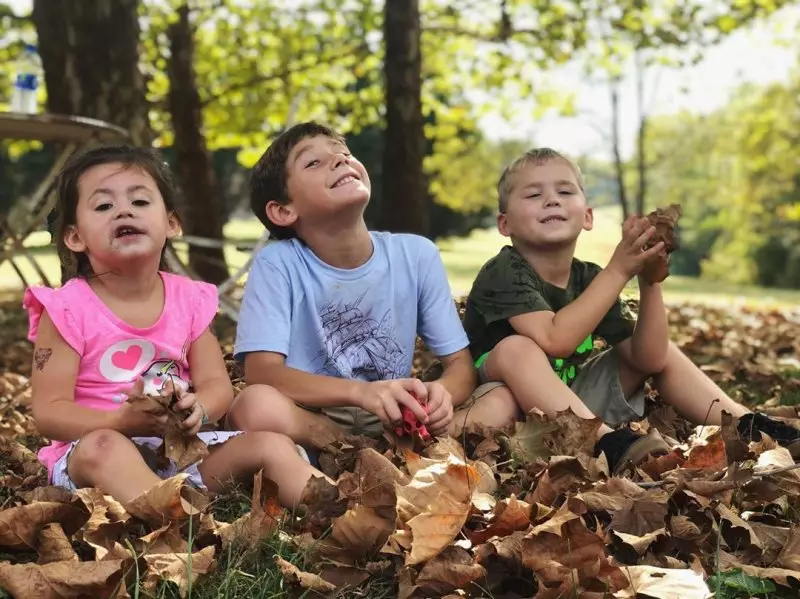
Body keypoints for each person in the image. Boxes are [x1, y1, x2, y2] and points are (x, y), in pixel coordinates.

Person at [462, 147, 800, 473]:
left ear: (588, 215)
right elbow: (555, 339)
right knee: (515, 350)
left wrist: (650, 282)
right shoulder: (504, 271)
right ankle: (609, 444)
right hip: (503, 399)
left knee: (660, 348)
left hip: (570, 402)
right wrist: (619, 270)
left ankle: (745, 424)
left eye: (565, 191)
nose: (551, 199)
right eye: (533, 195)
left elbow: (649, 360)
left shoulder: (590, 278)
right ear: (505, 224)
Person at [27, 145, 325, 508]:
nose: (124, 210)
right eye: (104, 206)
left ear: (171, 223)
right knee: (103, 449)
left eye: (139, 201)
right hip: (94, 450)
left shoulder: (189, 299)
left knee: (270, 444)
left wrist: (198, 408)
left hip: (181, 451)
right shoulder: (66, 308)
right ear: (75, 237)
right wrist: (121, 421)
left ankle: (342, 515)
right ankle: (177, 525)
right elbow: (49, 412)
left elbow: (217, 385)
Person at [228, 122, 500, 446]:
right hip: (314, 413)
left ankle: (401, 446)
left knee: (501, 398)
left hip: (395, 412)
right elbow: (262, 373)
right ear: (284, 210)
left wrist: (443, 393)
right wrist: (361, 393)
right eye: (313, 162)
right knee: (253, 405)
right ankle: (349, 448)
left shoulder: (417, 255)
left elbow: (460, 366)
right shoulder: (277, 264)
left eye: (343, 153)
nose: (340, 160)